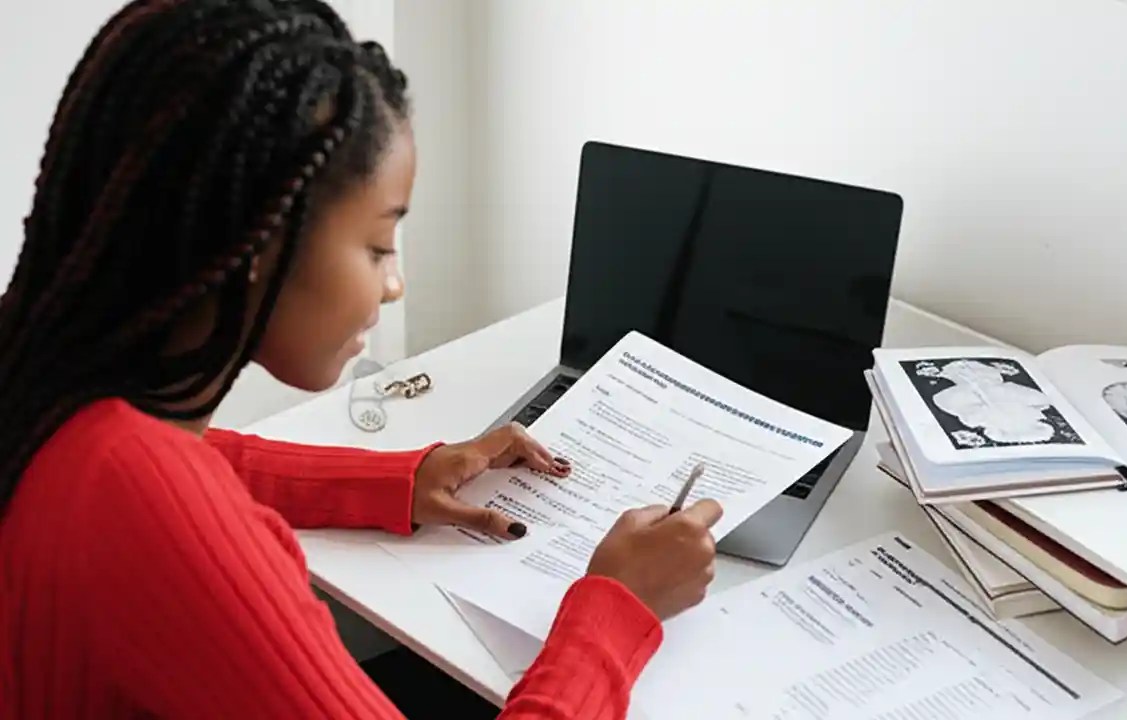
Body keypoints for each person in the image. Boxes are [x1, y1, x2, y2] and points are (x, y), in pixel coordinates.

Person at [0, 1, 723, 718]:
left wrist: (397, 481)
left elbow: (185, 465)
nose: (394, 281)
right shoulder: (145, 505)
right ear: (258, 243)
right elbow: (166, 499)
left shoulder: (51, 384)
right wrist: (618, 611)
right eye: (378, 246)